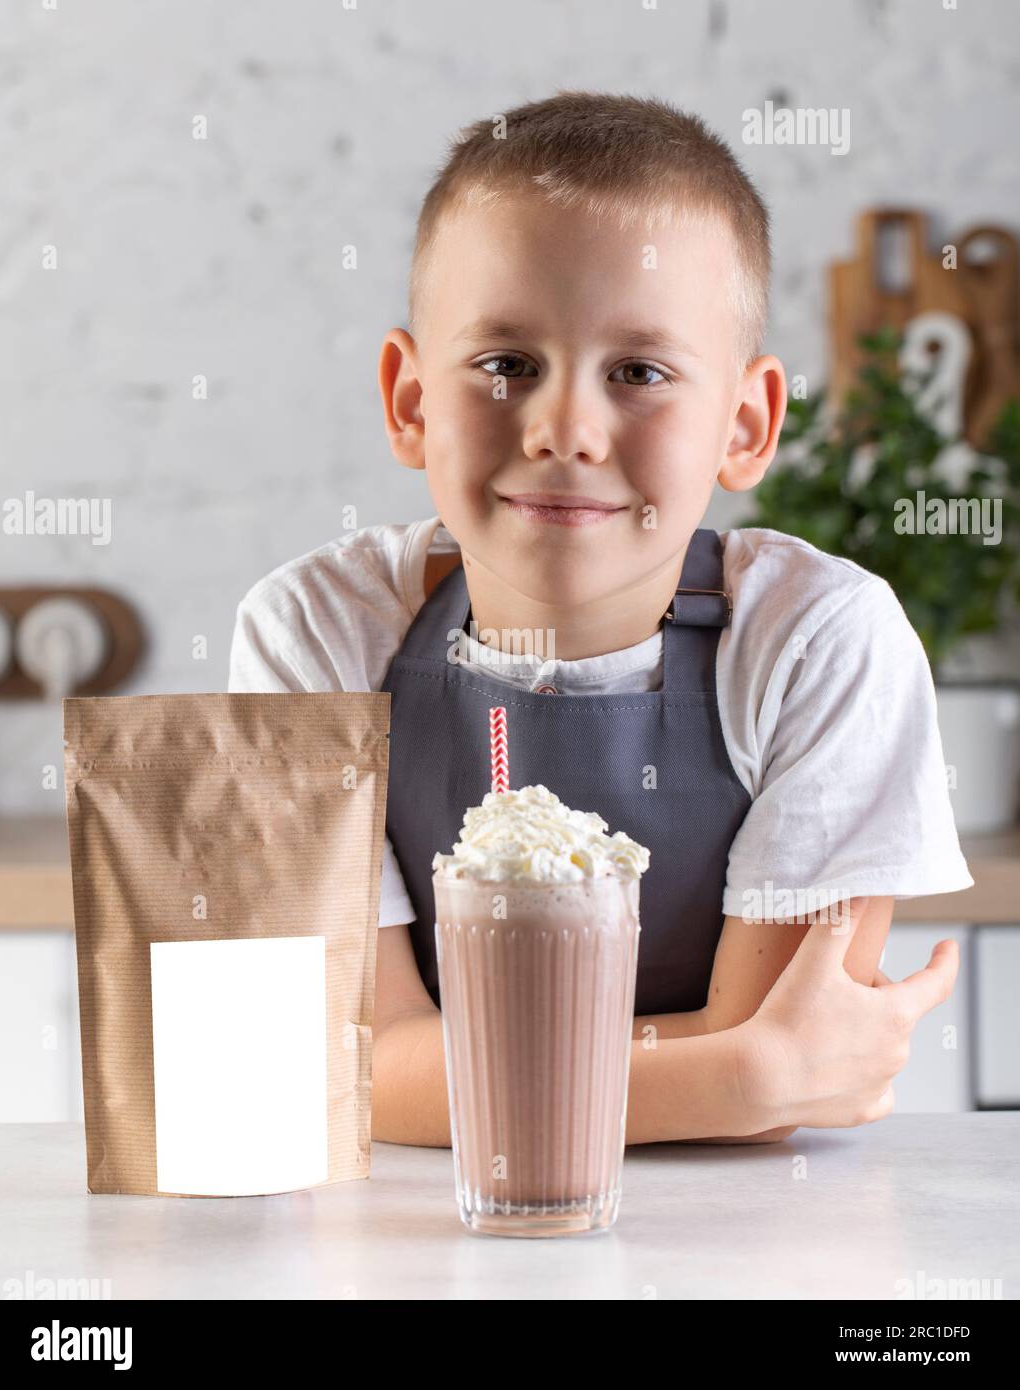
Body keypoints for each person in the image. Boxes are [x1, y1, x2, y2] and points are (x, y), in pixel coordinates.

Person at [229, 91, 971, 1147]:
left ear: (747, 424)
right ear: (409, 400)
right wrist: (737, 1075)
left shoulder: (816, 642)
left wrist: (434, 1070)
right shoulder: (319, 632)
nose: (566, 428)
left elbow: (779, 1069)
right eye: (504, 364)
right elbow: (341, 1065)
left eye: (638, 372)